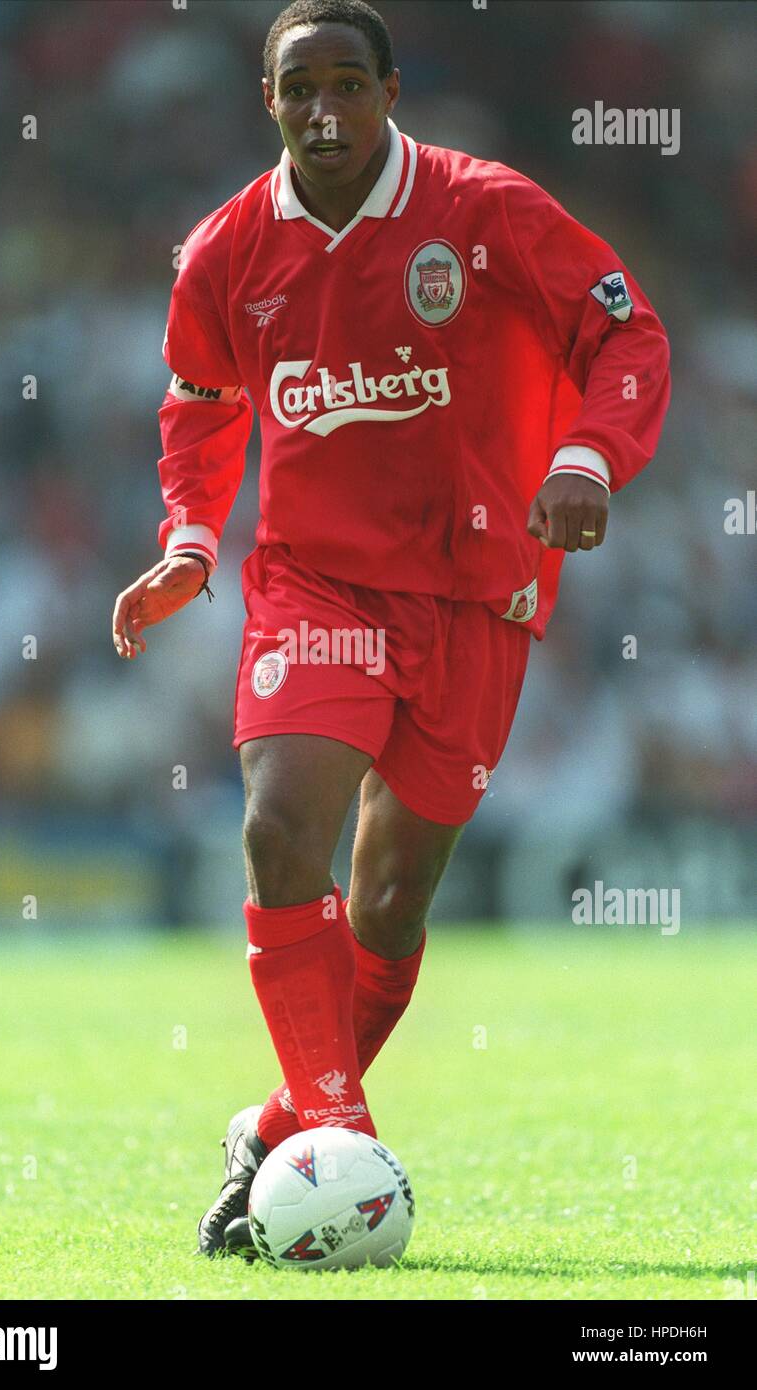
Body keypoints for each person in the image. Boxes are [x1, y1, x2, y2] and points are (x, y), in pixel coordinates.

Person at [111, 0, 670, 1259]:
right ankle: (333, 1133)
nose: (324, 111)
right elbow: (201, 408)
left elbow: (623, 328)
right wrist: (189, 544)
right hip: (315, 586)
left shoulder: (484, 211)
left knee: (391, 903)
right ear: (268, 102)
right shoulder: (222, 254)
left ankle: (273, 1136)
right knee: (275, 824)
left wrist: (586, 453)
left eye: (346, 85)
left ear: (389, 89)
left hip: (478, 595)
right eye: (298, 88)